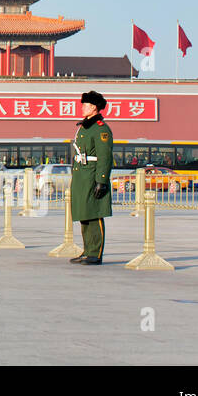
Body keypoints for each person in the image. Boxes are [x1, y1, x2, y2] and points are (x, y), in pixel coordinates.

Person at [69, 90, 113, 266]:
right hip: (82, 174)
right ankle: (87, 250)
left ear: (94, 107)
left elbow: (105, 156)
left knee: (94, 214)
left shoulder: (101, 128)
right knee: (84, 214)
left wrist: (101, 180)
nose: (82, 107)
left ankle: (95, 253)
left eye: (85, 105)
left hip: (93, 174)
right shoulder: (85, 126)